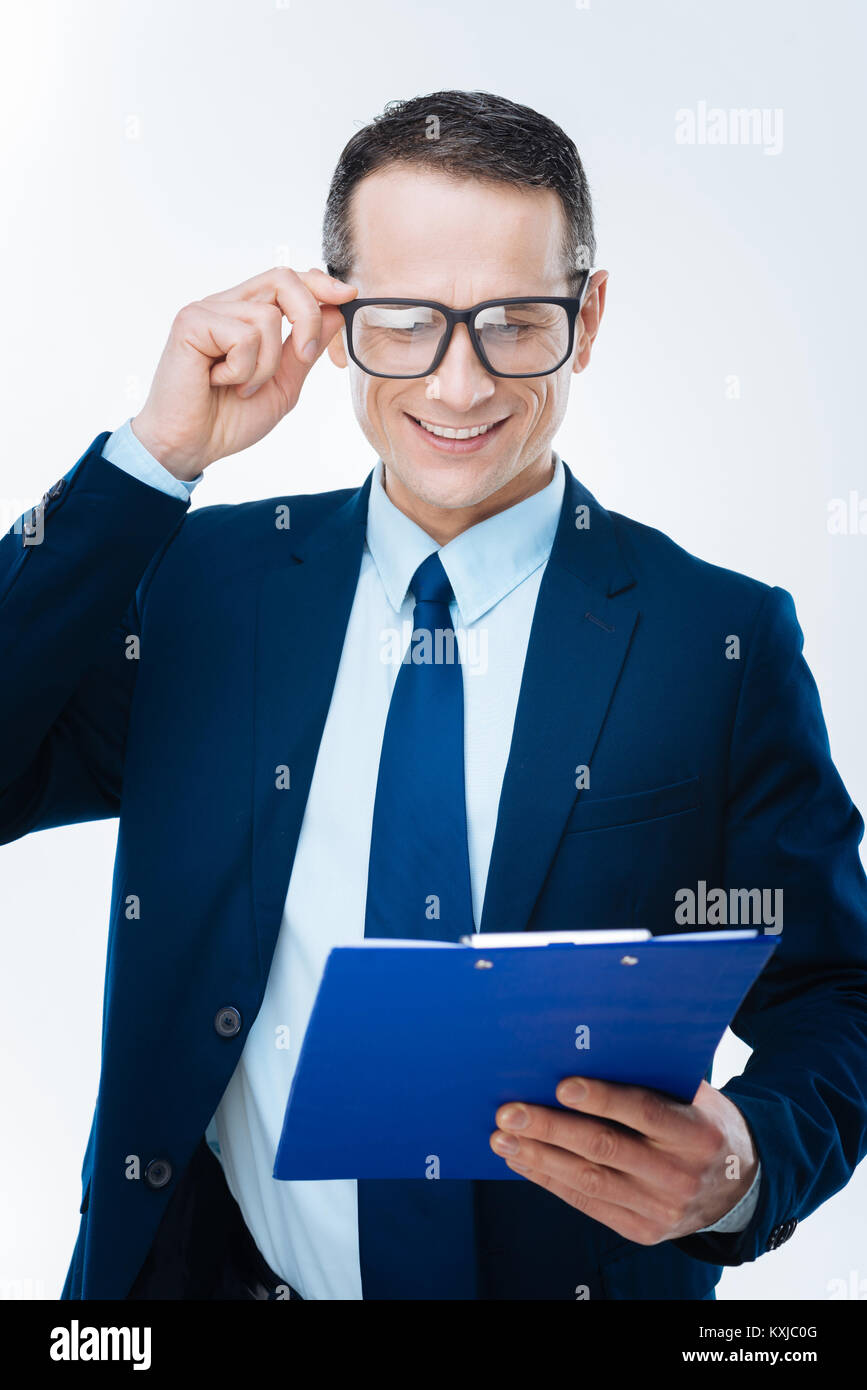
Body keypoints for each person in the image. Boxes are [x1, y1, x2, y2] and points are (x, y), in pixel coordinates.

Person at [2, 90, 865, 1302]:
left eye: (516, 323)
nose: (459, 386)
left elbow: (839, 987)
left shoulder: (715, 637)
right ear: (335, 316)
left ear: (590, 314)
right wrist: (155, 455)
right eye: (405, 323)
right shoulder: (200, 589)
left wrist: (747, 1164)